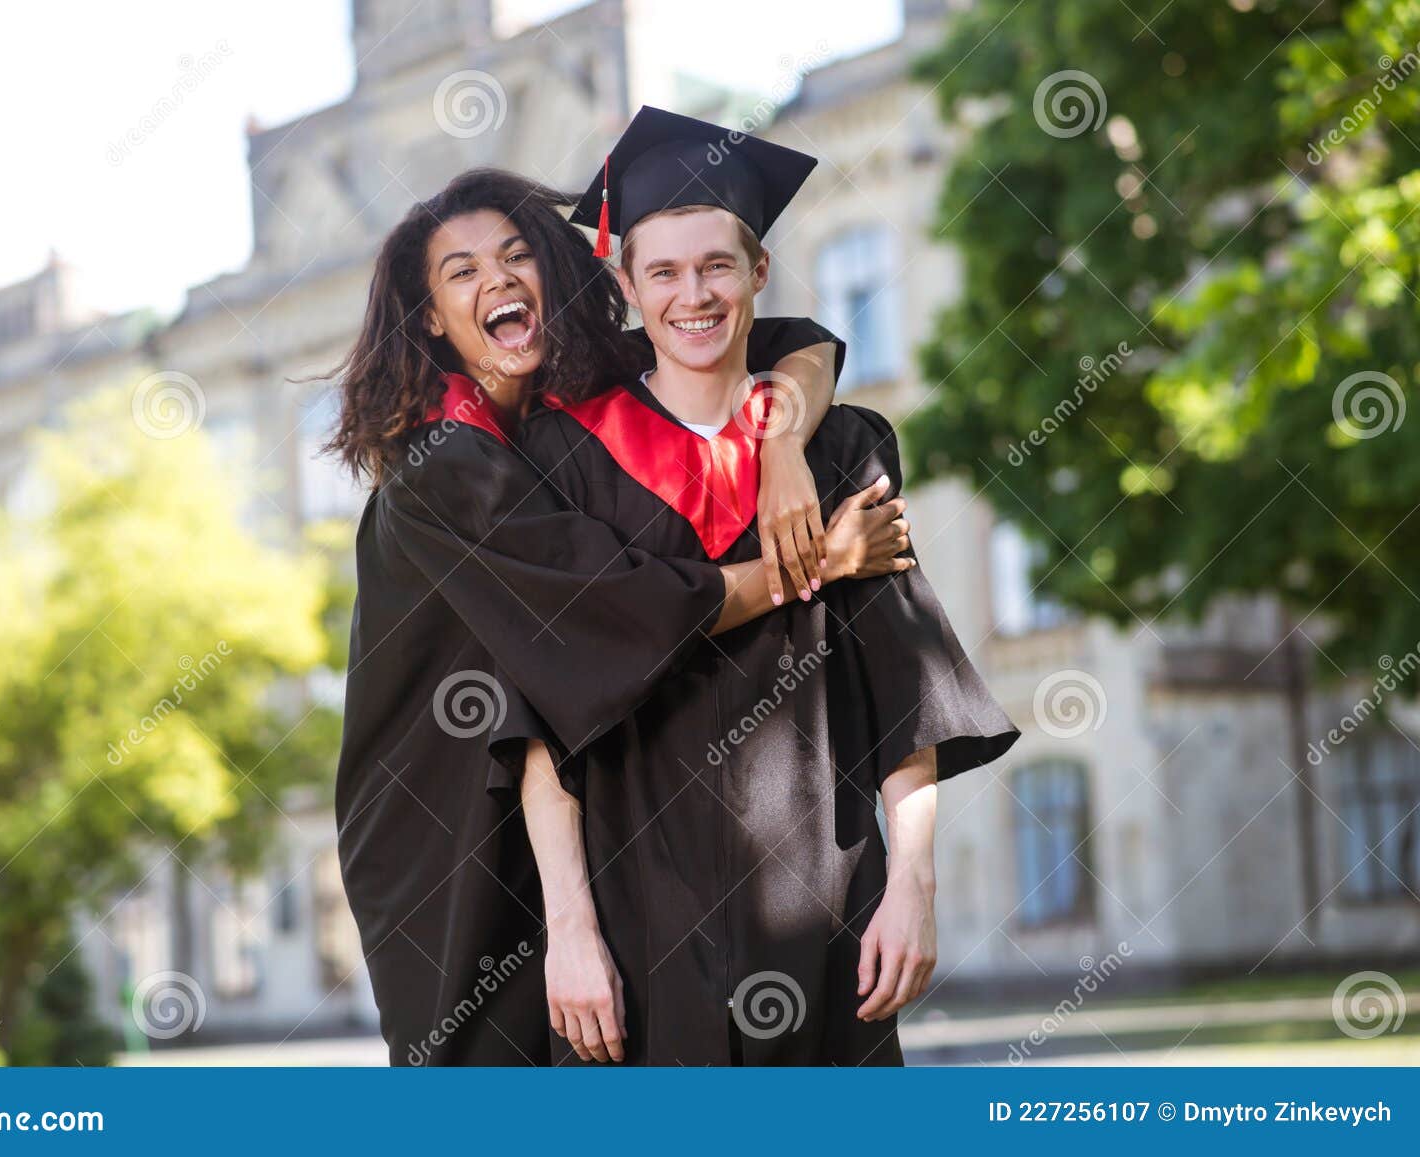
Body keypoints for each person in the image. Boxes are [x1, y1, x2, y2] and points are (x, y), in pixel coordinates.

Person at [324, 167, 916, 1066]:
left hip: (560, 780)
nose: (499, 281)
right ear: (431, 320)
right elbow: (626, 607)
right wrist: (817, 563)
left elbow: (799, 344)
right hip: (447, 815)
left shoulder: (582, 405)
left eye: (518, 255)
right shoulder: (442, 469)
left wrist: (786, 443)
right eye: (462, 273)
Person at [511, 107, 1020, 1066]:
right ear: (625, 284)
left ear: (760, 276)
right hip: (635, 923)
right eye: (661, 271)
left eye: (715, 266)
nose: (691, 295)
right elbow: (536, 718)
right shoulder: (560, 460)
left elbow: (906, 691)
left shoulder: (840, 448)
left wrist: (912, 887)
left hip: (826, 908)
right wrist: (569, 927)